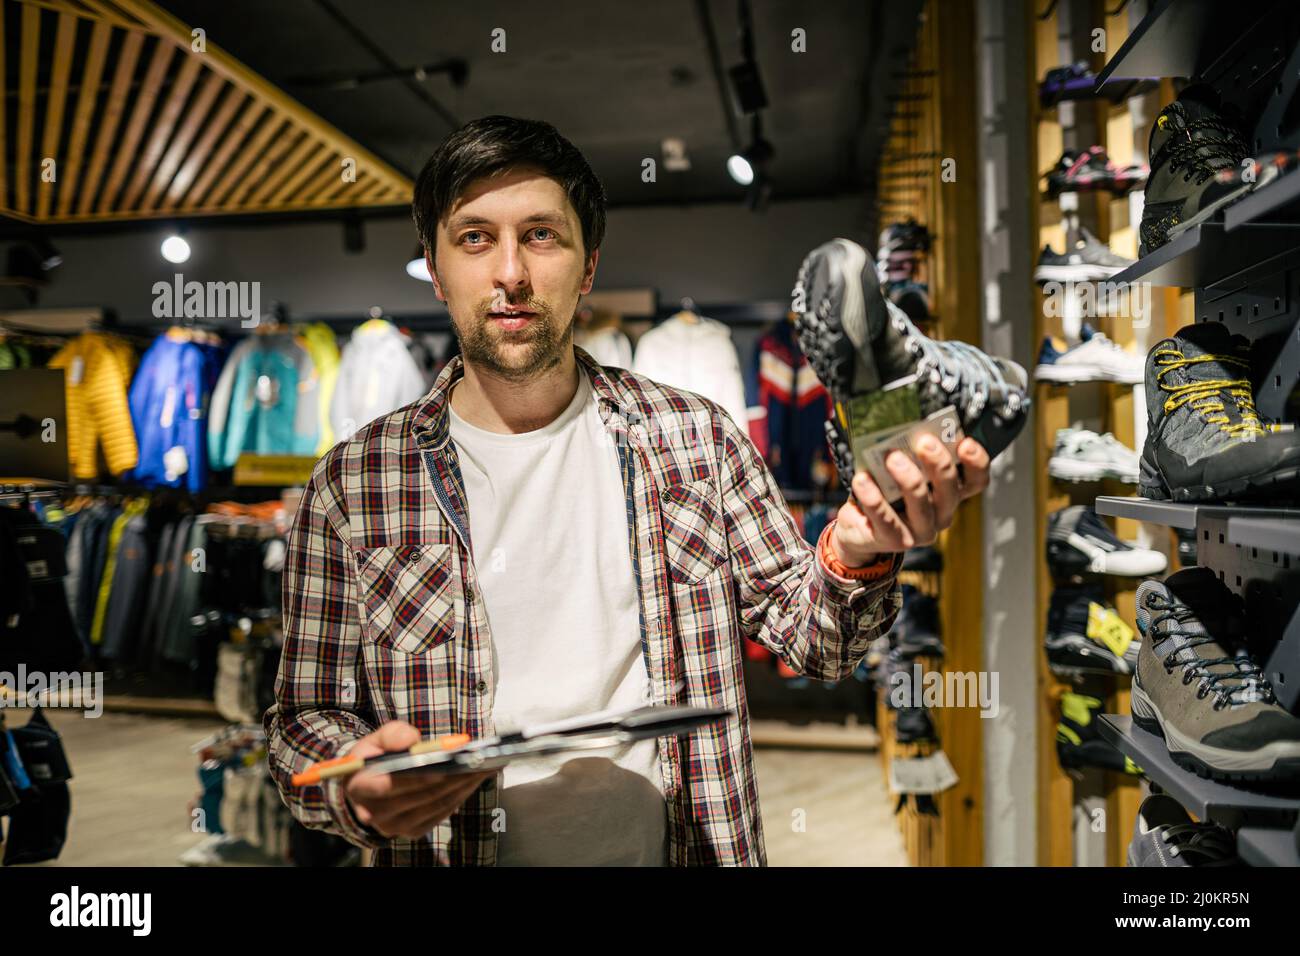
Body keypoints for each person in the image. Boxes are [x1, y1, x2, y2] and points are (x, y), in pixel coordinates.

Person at [264, 115, 991, 866]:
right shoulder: (355, 483)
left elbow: (818, 644)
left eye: (542, 235)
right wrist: (352, 783)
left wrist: (856, 549)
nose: (510, 272)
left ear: (587, 268)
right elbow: (301, 722)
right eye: (475, 237)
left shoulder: (695, 438)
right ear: (437, 268)